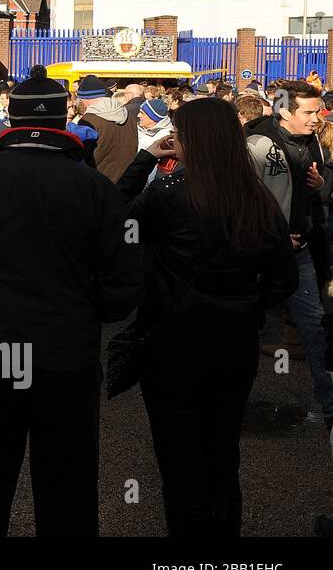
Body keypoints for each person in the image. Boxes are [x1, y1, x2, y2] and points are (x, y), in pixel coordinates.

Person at [0, 75, 140, 536]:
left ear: (12, 117)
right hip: (66, 346)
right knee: (67, 475)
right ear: (65, 114)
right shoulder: (93, 187)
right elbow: (123, 277)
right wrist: (91, 309)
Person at [116, 99, 297, 536]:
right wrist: (249, 305)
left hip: (172, 342)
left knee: (180, 459)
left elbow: (115, 218)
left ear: (190, 140)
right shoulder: (257, 200)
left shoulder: (168, 195)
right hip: (233, 342)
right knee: (222, 452)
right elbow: (283, 278)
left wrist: (144, 159)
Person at [242, 79, 333, 428]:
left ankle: (328, 407)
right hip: (261, 252)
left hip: (300, 250)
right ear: (284, 111)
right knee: (247, 323)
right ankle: (232, 402)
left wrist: (320, 185)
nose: (317, 117)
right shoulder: (259, 144)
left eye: (319, 109)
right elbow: (243, 201)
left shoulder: (310, 140)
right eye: (309, 111)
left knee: (314, 323)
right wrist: (274, 237)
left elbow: (311, 185)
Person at [76, 74, 138, 182]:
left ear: (84, 98)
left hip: (100, 181)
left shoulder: (89, 120)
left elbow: (84, 156)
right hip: (127, 179)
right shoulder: (127, 113)